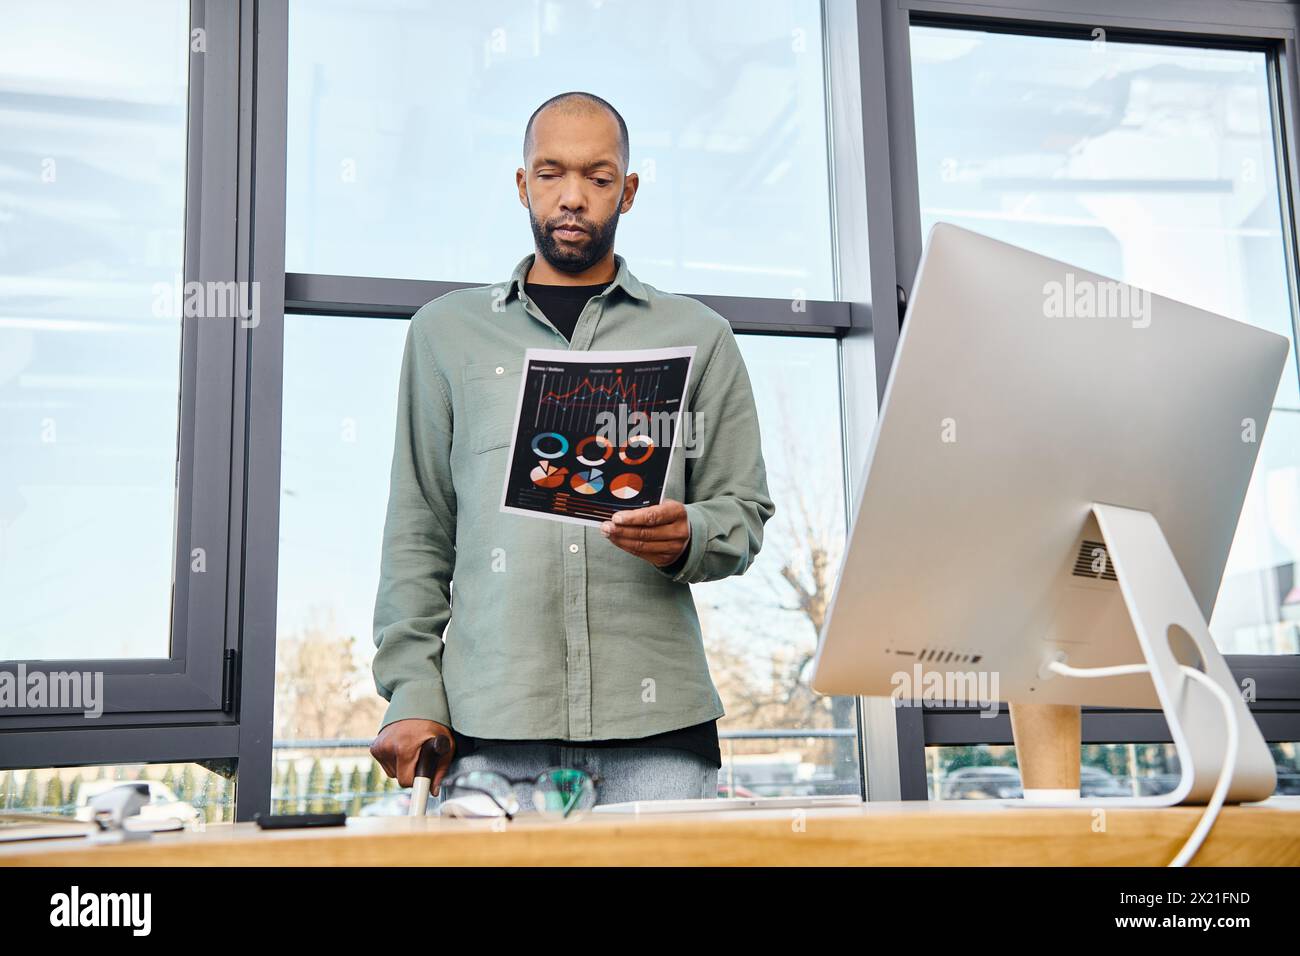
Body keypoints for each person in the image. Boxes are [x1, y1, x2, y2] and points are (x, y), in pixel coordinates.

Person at [368, 91, 775, 811]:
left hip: (660, 731)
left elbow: (742, 511)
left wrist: (693, 535)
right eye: (551, 173)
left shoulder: (700, 336)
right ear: (523, 184)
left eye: (598, 177)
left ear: (629, 190)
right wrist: (411, 691)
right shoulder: (445, 334)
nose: (573, 198)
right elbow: (418, 529)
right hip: (489, 728)